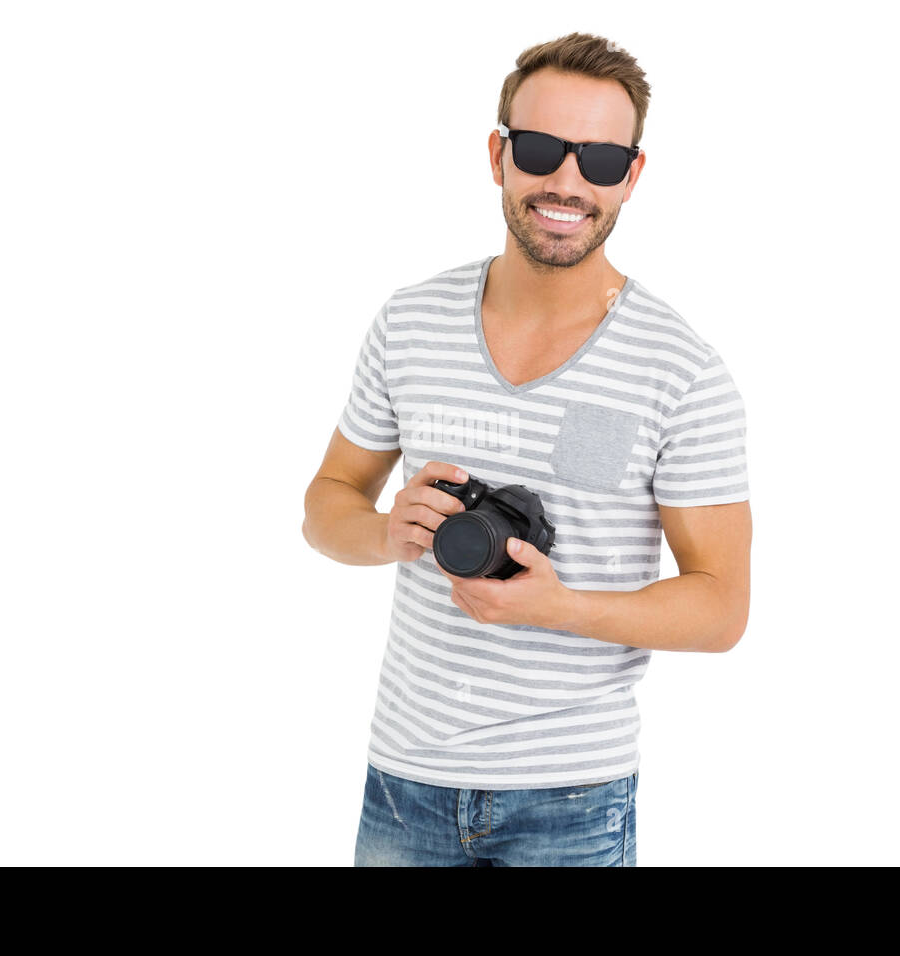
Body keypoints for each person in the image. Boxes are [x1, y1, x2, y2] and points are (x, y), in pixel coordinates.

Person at [301, 31, 752, 867]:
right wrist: (386, 531)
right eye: (541, 150)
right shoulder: (409, 322)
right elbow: (327, 501)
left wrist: (559, 608)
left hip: (571, 801)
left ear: (634, 176)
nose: (568, 183)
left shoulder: (680, 370)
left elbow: (723, 606)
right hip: (403, 782)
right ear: (499, 155)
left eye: (602, 162)